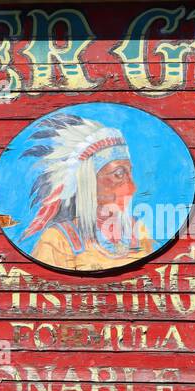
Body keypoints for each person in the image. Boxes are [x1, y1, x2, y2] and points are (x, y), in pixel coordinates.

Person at [18, 113, 153, 272]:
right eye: (118, 174)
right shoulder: (57, 241)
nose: (132, 187)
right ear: (88, 182)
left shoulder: (138, 230)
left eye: (129, 173)